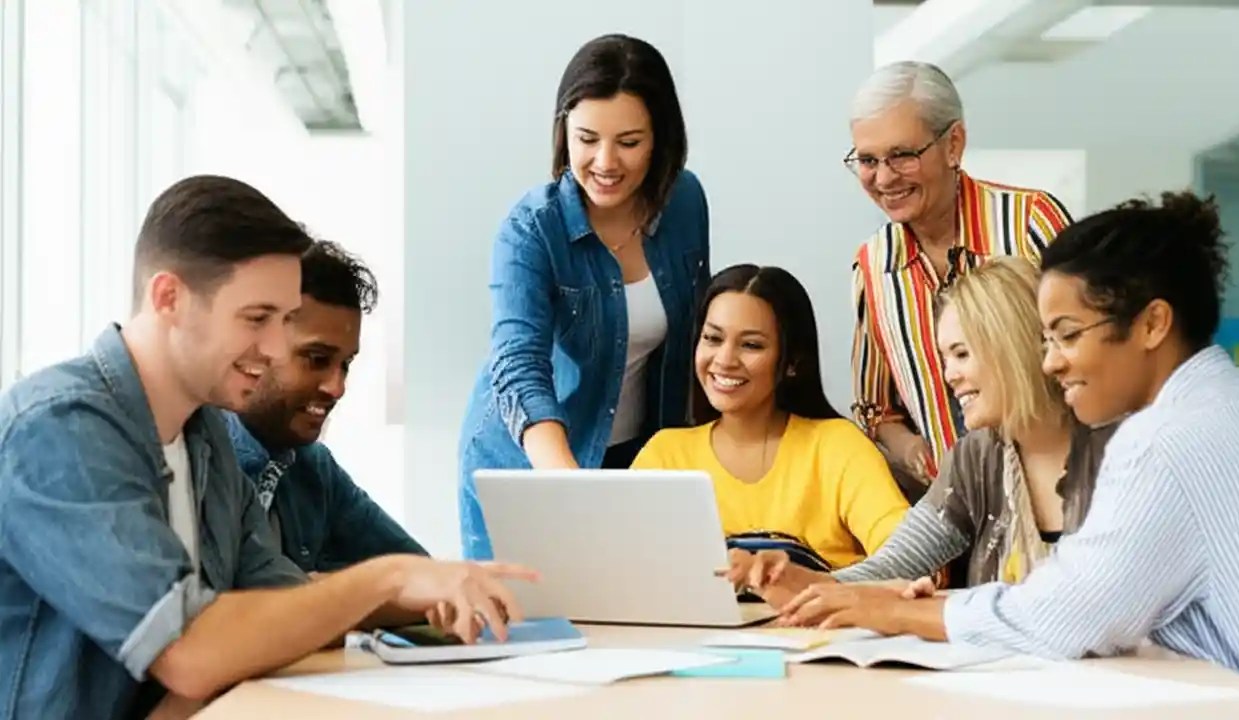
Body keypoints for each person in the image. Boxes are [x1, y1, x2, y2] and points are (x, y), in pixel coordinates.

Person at [0, 176, 534, 719]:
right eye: (257, 319)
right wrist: (390, 575)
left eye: (282, 321)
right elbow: (189, 652)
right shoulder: (59, 429)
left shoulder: (204, 434)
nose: (275, 348)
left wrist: (426, 584)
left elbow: (283, 605)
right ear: (169, 298)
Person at [776, 192, 1239, 690]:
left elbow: (1069, 615)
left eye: (1068, 334)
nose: (1052, 361)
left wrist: (897, 611)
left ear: (1152, 324)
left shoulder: (1157, 441)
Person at [728, 257, 1116, 602]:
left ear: (1010, 343)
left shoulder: (1120, 450)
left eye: (962, 354)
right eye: (945, 358)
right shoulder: (975, 458)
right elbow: (894, 566)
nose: (950, 376)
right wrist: (805, 581)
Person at [458, 33, 710, 560]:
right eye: (587, 138)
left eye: (629, 142)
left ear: (661, 138)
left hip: (638, 457)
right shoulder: (531, 230)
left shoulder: (685, 202)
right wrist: (570, 488)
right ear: (563, 130)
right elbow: (519, 366)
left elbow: (695, 335)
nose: (605, 162)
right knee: (536, 628)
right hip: (535, 465)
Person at [847, 61, 1072, 485]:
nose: (883, 177)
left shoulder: (1030, 225)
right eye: (867, 160)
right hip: (959, 510)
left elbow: (1092, 357)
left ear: (954, 144)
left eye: (902, 155)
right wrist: (915, 451)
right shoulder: (873, 267)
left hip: (1060, 490)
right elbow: (875, 410)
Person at [633, 264, 908, 583]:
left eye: (751, 345)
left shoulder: (837, 446)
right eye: (712, 338)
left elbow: (909, 556)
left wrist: (824, 585)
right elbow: (620, 565)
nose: (724, 359)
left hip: (824, 630)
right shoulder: (665, 455)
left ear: (792, 362)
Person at [226, 239, 426, 572]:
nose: (338, 387)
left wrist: (324, 591)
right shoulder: (201, 461)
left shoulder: (312, 467)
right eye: (317, 359)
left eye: (346, 364)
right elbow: (232, 607)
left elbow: (420, 576)